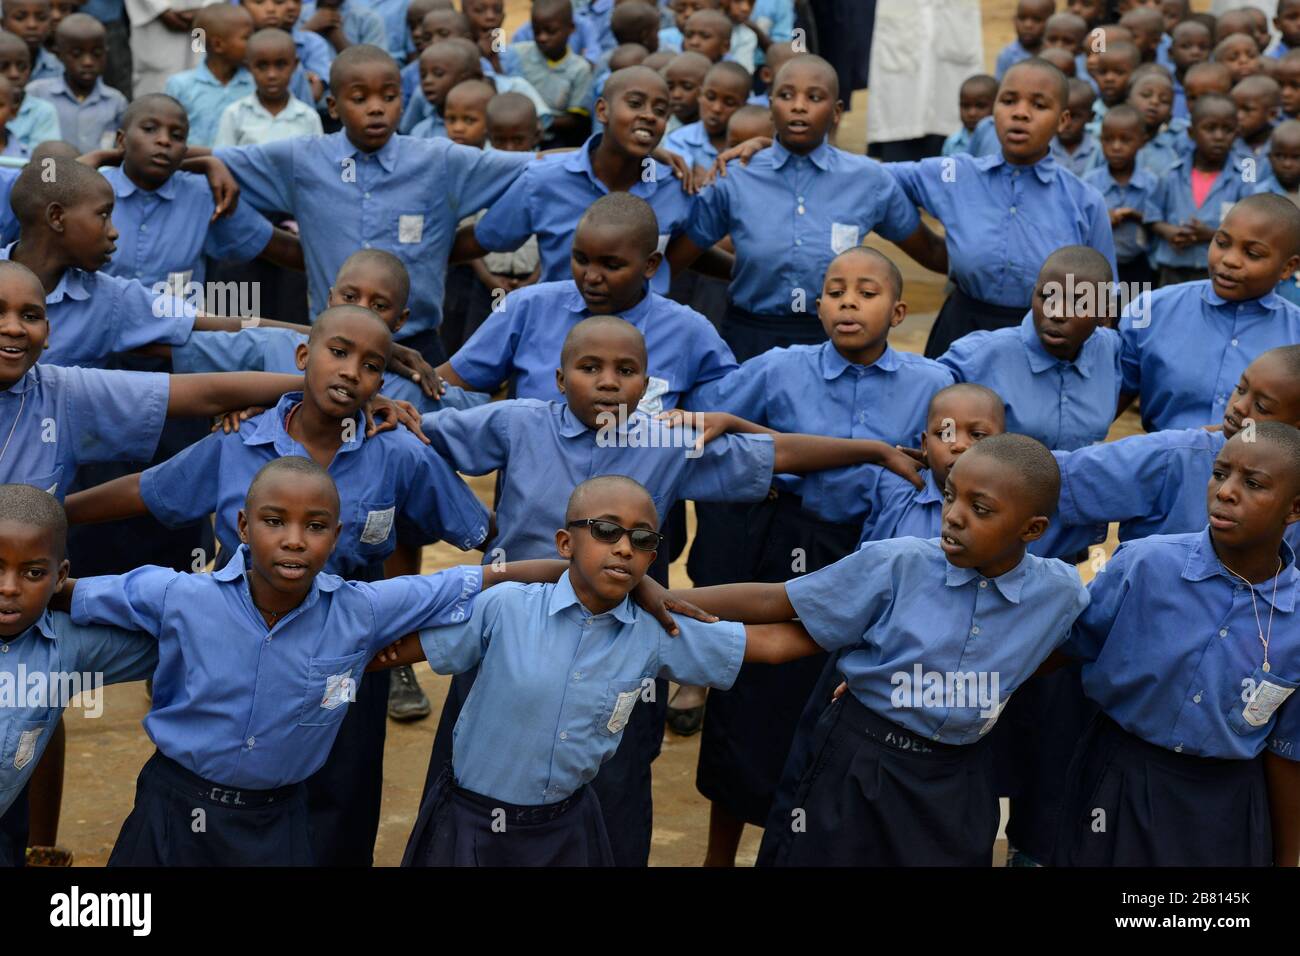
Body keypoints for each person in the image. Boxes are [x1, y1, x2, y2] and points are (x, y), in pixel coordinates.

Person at [59, 455, 585, 866]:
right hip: (172, 809)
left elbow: (477, 580)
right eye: (273, 521)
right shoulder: (175, 595)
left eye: (314, 526)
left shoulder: (361, 610)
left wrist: (618, 581)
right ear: (242, 526)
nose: (293, 540)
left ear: (335, 537)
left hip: (278, 820)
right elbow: (65, 592)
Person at [678, 433, 1093, 866]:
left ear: (1033, 529)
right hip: (862, 756)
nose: (953, 516)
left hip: (959, 775)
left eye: (980, 509)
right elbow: (777, 600)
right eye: (950, 496)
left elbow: (1071, 648)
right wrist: (660, 595)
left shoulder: (1060, 593)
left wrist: (997, 682)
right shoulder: (899, 563)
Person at [387, 475, 819, 866]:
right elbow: (402, 649)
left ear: (653, 559)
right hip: (473, 826)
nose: (624, 547)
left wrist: (864, 620)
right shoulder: (507, 606)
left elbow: (773, 644)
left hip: (565, 828)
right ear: (565, 543)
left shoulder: (655, 632)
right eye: (606, 530)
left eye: (643, 539)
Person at [1054, 423, 1300, 867]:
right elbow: (1064, 650)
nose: (1225, 492)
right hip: (1119, 775)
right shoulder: (1145, 564)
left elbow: (1287, 751)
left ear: (1295, 507)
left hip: (1226, 804)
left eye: (1253, 483)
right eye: (1219, 473)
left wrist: (1286, 858)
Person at [203, 44, 538, 367]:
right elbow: (204, 162)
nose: (376, 108)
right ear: (333, 106)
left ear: (403, 103)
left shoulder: (439, 161)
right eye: (360, 98)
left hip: (416, 341)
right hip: (330, 347)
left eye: (389, 97)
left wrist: (590, 151)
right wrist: (210, 165)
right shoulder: (302, 160)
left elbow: (535, 169)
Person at [886, 58, 1117, 358]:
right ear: (993, 113)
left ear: (1062, 120)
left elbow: (1104, 300)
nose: (1020, 113)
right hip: (961, 330)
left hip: (1044, 342)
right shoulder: (956, 174)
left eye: (1039, 105)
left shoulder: (1084, 201)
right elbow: (878, 180)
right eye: (1008, 101)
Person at [0, 485, 159, 867]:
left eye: (33, 573)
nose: (8, 587)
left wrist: (86, 595)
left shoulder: (69, 646)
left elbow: (181, 629)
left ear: (61, 576)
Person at [1120, 193, 1300, 433]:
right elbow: (1099, 410)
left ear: (1288, 267)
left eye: (1253, 254)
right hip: (1164, 467)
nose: (1229, 260)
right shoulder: (1152, 311)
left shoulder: (1295, 334)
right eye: (1222, 243)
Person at [938, 245, 1121, 452]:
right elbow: (922, 417)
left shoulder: (1112, 351)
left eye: (1078, 303)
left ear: (1105, 315)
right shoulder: (977, 356)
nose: (1057, 313)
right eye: (1046, 296)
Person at [25, 13, 126, 153]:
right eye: (77, 54)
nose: (88, 62)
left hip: (97, 174)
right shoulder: (38, 92)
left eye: (96, 53)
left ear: (106, 52)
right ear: (59, 54)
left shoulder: (116, 101)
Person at [162, 3, 256, 147]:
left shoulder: (255, 83)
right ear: (218, 45)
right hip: (192, 167)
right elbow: (167, 132)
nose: (253, 43)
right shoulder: (181, 85)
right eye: (246, 38)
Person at [1086, 104, 1160, 285]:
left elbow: (1158, 224)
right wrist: (1103, 219)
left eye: (1125, 140)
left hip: (1138, 266)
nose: (1116, 147)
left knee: (1135, 312)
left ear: (1142, 141)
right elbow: (1079, 224)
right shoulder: (1090, 183)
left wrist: (1136, 216)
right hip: (1097, 268)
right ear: (1100, 140)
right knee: (1100, 312)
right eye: (1108, 140)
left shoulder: (1150, 183)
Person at [214, 27, 325, 146]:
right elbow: (224, 159)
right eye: (262, 66)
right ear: (248, 67)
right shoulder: (235, 114)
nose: (272, 75)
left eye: (280, 65)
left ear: (295, 65)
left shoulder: (308, 117)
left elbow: (316, 160)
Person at [997, 0, 1055, 82]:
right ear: (1014, 19)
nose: (1028, 25)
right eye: (1022, 18)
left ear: (1052, 21)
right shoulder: (1007, 55)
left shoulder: (1056, 54)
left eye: (1037, 20)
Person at [942, 74, 996, 158]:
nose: (971, 113)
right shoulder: (952, 143)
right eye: (965, 106)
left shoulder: (1000, 142)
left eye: (980, 106)